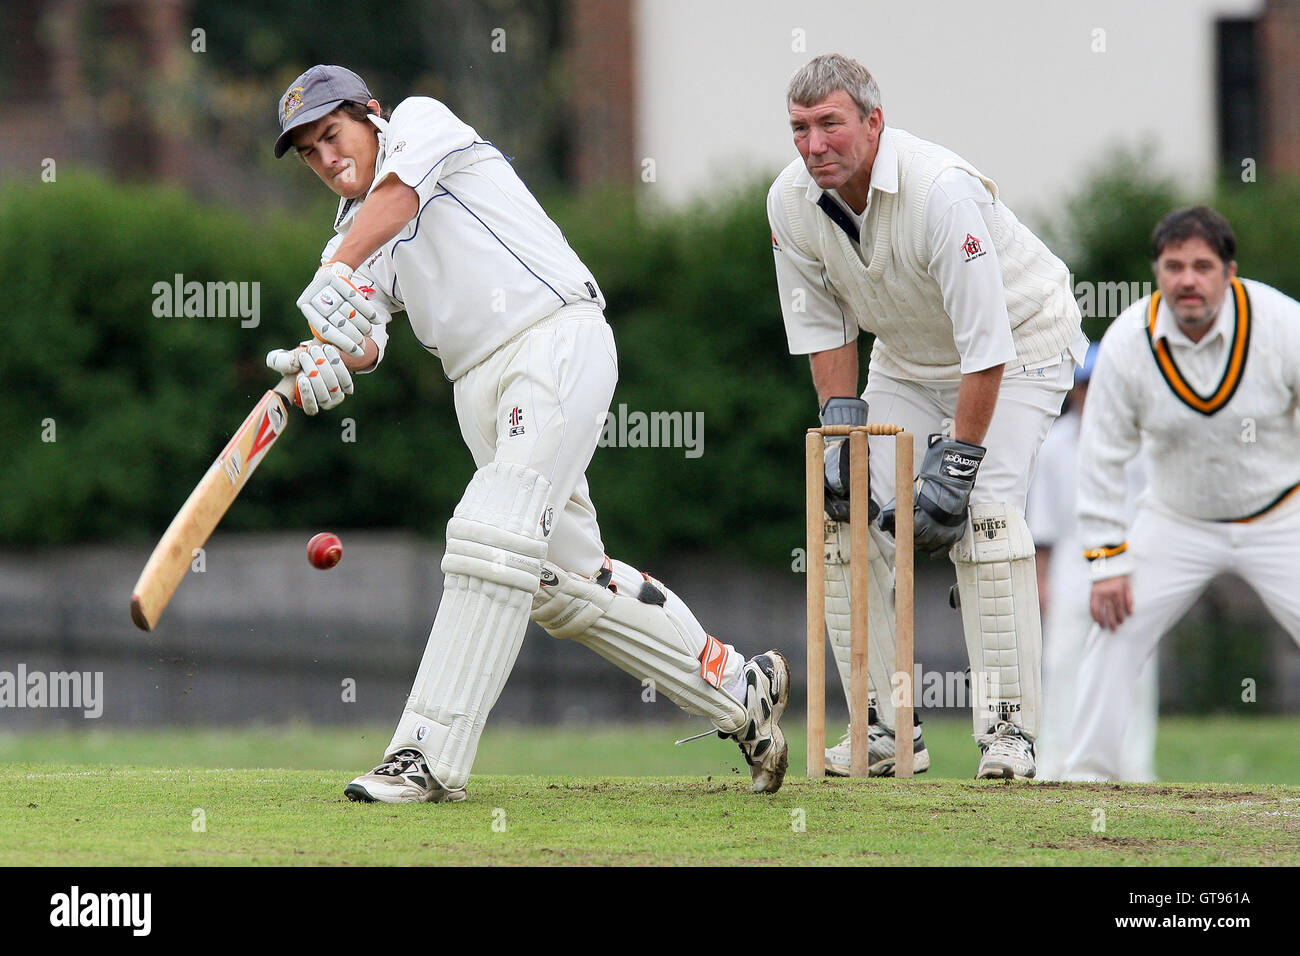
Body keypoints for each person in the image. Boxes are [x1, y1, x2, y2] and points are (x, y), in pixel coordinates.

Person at [268, 64, 790, 803]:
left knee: (490, 533)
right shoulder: (358, 235)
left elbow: (397, 200)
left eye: (332, 134)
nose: (326, 158)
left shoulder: (421, 126)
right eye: (309, 153)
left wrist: (333, 266)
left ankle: (424, 755)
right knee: (562, 581)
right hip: (476, 387)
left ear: (371, 115)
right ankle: (742, 688)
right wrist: (321, 357)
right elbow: (369, 339)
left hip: (552, 341)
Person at [768, 53, 1087, 779]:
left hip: (1023, 346)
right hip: (908, 360)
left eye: (831, 125)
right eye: (799, 129)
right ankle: (884, 728)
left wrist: (958, 466)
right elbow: (824, 329)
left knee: (985, 516)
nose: (815, 145)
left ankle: (1010, 735)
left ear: (873, 123)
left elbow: (987, 344)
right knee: (840, 514)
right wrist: (843, 438)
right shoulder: (788, 202)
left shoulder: (939, 193)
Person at [1065, 206, 1300, 781]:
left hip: (1281, 515)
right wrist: (1106, 561)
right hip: (1176, 520)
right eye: (1174, 267)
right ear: (1157, 273)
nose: (1187, 280)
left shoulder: (1282, 324)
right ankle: (1083, 781)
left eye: (1202, 266)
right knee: (1113, 629)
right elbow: (1101, 455)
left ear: (1229, 272)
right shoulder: (1127, 342)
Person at [1026, 343, 1157, 781]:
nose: (1089, 395)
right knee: (1062, 665)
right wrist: (1042, 582)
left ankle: (1134, 768)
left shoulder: (1141, 440)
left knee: (1134, 666)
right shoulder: (1054, 444)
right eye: (1083, 386)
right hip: (1070, 563)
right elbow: (1042, 522)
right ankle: (1055, 764)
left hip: (1130, 563)